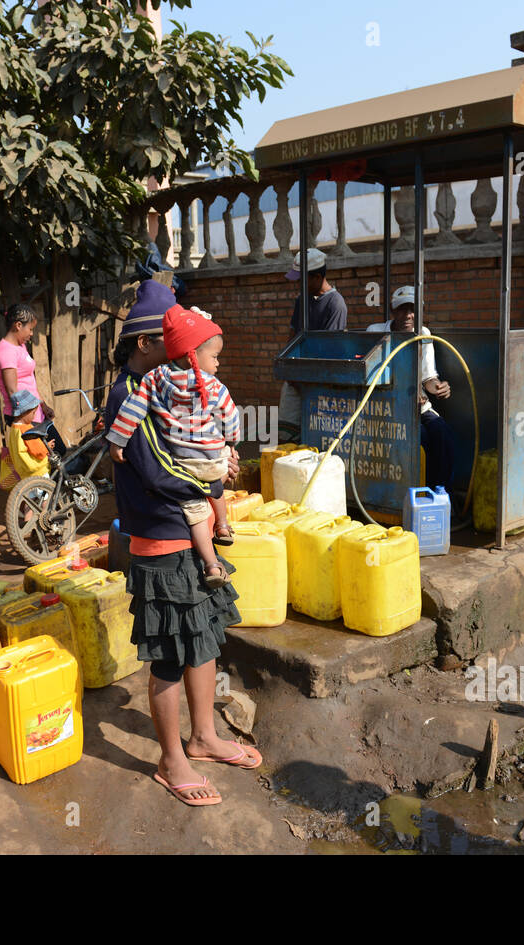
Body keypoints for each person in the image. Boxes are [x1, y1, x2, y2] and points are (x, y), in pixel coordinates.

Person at [104, 280, 258, 808]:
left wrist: (223, 459)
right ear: (146, 345)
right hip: (160, 534)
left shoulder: (175, 384)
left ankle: (205, 736)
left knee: (204, 634)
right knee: (169, 651)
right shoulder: (129, 393)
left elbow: (206, 433)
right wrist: (213, 483)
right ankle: (172, 760)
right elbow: (156, 470)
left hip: (191, 530)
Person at [107, 305, 240, 589]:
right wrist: (228, 447)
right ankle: (223, 526)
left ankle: (211, 561)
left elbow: (132, 412)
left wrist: (117, 439)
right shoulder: (213, 385)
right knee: (211, 493)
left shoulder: (154, 381)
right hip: (166, 538)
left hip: (186, 484)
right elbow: (230, 417)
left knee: (197, 509)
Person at [367, 286, 457, 491]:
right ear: (392, 310)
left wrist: (439, 388)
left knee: (442, 434)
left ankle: (440, 495)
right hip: (387, 408)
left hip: (418, 408)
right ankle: (413, 493)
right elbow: (370, 376)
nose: (407, 315)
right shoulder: (376, 332)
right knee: (419, 439)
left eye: (412, 309)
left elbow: (428, 377)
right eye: (402, 309)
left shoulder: (423, 333)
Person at [278, 247, 347, 443]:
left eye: (302, 280)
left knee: (315, 437)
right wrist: (289, 369)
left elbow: (328, 350)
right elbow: (292, 337)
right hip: (295, 378)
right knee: (286, 433)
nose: (298, 284)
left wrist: (306, 380)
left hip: (318, 381)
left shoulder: (335, 304)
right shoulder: (302, 300)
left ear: (317, 277)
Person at [0, 303, 54, 425]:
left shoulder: (20, 346)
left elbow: (29, 381)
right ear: (18, 325)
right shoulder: (6, 351)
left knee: (57, 445)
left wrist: (43, 405)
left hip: (35, 413)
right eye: (30, 329)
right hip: (25, 417)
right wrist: (27, 424)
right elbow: (12, 391)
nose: (31, 334)